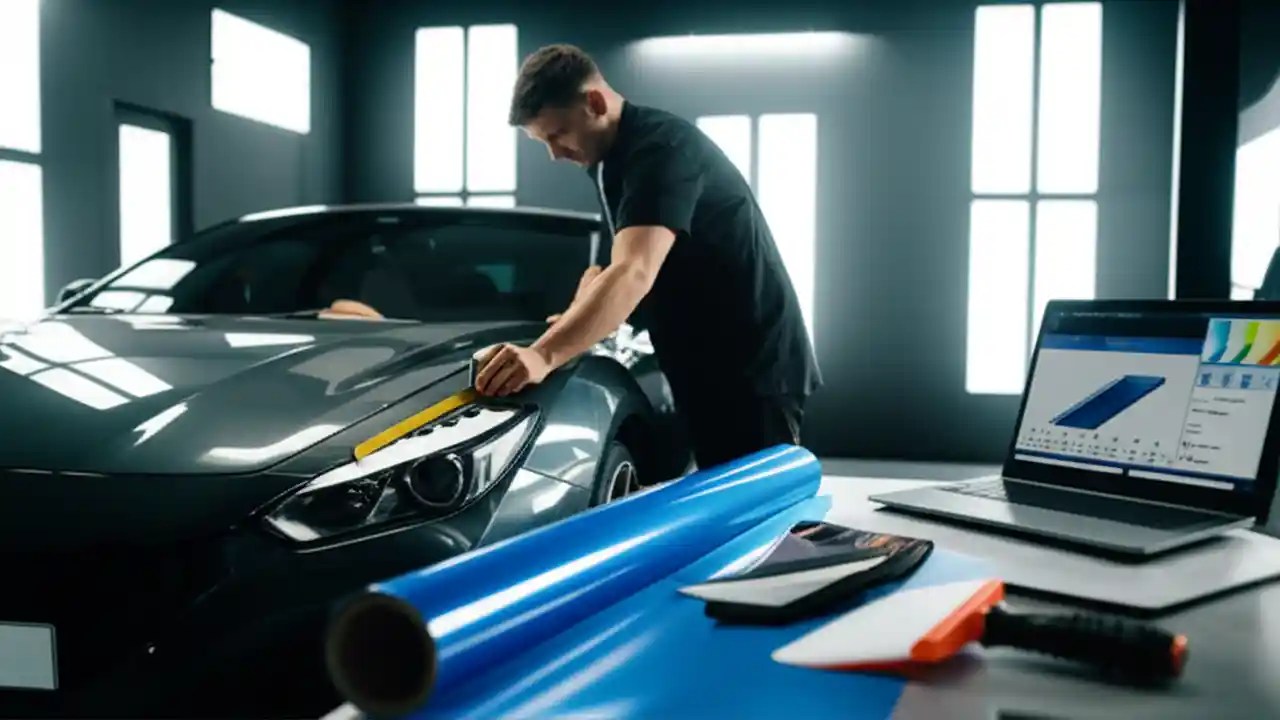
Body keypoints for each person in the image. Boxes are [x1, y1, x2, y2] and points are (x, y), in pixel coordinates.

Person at [474, 43, 821, 471]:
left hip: (752, 369)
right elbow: (609, 269)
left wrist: (543, 356)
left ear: (595, 103)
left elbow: (634, 271)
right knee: (721, 504)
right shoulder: (610, 161)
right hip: (703, 363)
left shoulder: (660, 150)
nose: (554, 153)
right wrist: (570, 321)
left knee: (760, 516)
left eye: (557, 134)